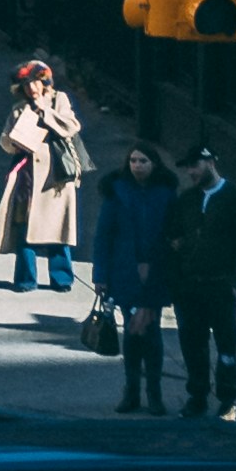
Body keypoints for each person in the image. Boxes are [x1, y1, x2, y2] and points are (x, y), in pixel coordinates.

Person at [78, 142, 179, 412]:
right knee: (134, 333)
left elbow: (172, 233)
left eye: (143, 161)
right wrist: (100, 275)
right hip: (124, 273)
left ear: (154, 164)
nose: (137, 165)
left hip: (155, 273)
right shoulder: (117, 193)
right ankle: (132, 390)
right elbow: (103, 237)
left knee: (152, 333)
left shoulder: (166, 194)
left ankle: (153, 393)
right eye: (133, 160)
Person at [166, 147, 236, 419]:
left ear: (210, 162)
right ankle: (197, 396)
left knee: (226, 345)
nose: (191, 172)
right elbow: (172, 236)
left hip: (220, 285)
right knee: (192, 345)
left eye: (195, 165)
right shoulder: (186, 199)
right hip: (189, 287)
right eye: (188, 168)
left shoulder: (235, 198)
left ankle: (228, 398)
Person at [0, 77, 82, 294]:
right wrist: (14, 141)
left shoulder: (58, 99)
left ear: (45, 83)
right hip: (27, 174)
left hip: (55, 175)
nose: (32, 88)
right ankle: (25, 279)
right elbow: (4, 139)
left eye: (35, 82)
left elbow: (71, 126)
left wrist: (46, 111)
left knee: (57, 228)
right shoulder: (18, 108)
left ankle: (61, 278)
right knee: (25, 226)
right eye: (26, 85)